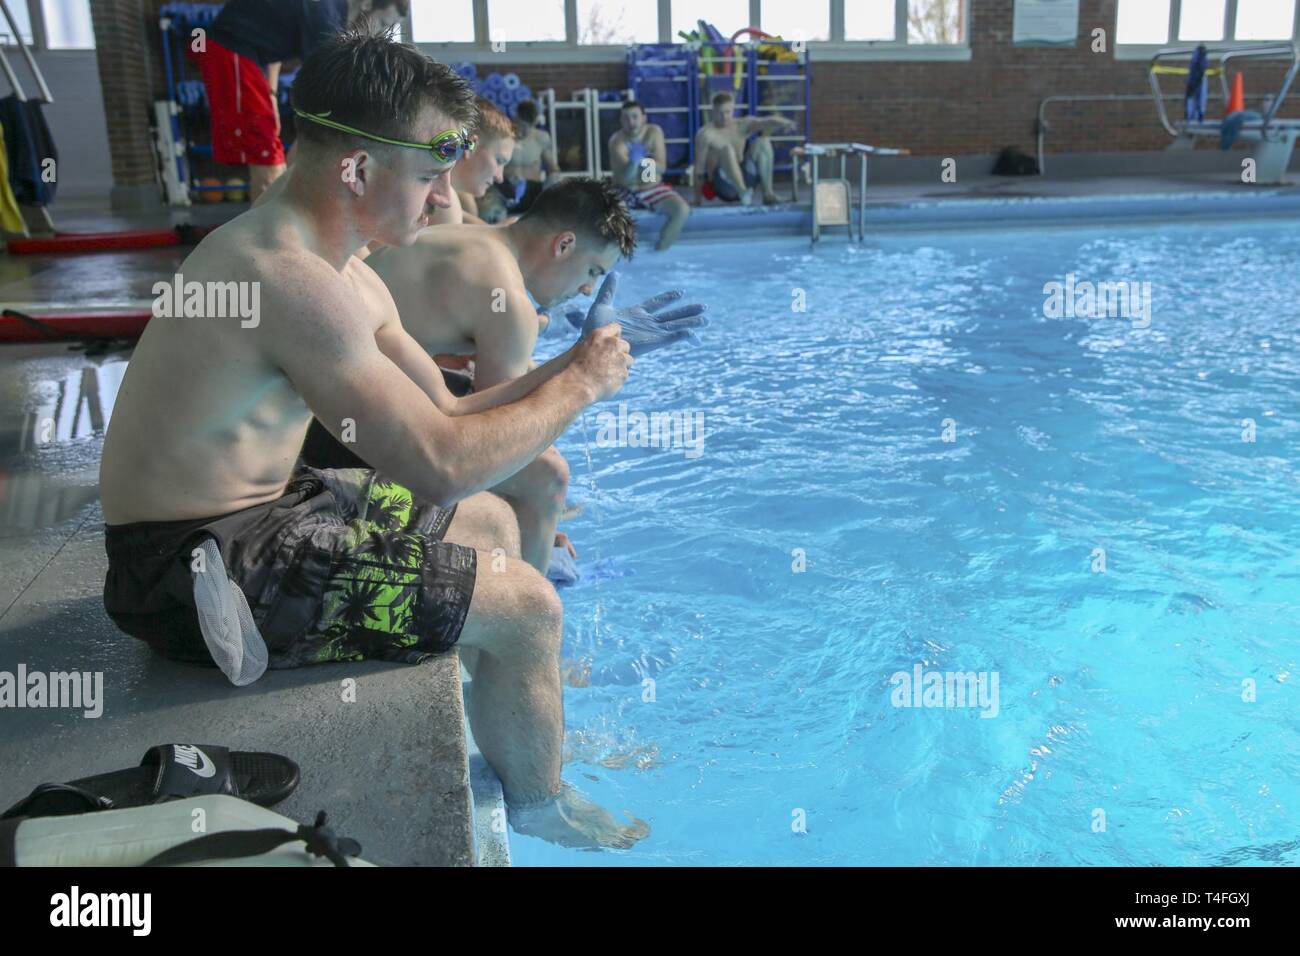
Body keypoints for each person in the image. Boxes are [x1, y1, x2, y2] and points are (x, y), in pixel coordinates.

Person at [99, 32, 691, 849]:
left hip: (260, 516)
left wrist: (577, 360)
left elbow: (449, 410)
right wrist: (582, 386)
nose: (444, 194)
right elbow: (440, 466)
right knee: (527, 607)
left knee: (490, 523)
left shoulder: (344, 268)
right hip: (191, 574)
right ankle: (538, 802)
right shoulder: (284, 278)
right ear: (359, 169)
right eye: (428, 173)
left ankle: (517, 718)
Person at [303, 179, 702, 583]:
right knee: (548, 476)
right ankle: (532, 592)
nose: (586, 290)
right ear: (563, 245)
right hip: (333, 440)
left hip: (319, 410)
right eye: (592, 271)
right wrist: (537, 516)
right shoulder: (509, 302)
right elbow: (502, 428)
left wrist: (583, 356)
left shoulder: (466, 237)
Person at [190, 0, 407, 201]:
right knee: (268, 163)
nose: (379, 33)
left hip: (248, 55)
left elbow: (272, 48)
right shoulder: (325, 18)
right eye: (382, 23)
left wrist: (271, 96)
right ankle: (272, 238)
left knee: (270, 152)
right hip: (231, 52)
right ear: (367, 4)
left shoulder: (331, 9)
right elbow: (320, 108)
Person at [608, 100, 691, 251]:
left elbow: (661, 168)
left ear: (644, 118)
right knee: (614, 216)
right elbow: (627, 179)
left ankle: (660, 251)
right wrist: (635, 162)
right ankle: (622, 252)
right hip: (625, 190)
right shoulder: (617, 142)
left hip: (652, 188)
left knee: (682, 210)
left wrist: (640, 162)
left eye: (634, 117)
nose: (631, 122)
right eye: (626, 118)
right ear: (621, 121)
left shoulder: (654, 132)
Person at [693, 91, 795, 206]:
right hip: (723, 186)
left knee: (762, 142)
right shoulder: (705, 134)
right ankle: (743, 192)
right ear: (713, 111)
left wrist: (786, 122)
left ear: (733, 109)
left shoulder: (741, 125)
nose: (724, 117)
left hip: (746, 180)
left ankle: (768, 195)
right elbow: (699, 169)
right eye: (719, 113)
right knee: (726, 149)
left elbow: (765, 121)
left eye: (728, 112)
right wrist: (697, 200)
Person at [428, 98, 516, 226]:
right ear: (471, 146)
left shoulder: (435, 190)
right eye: (499, 161)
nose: (500, 178)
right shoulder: (443, 202)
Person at [502, 99, 557, 214]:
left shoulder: (541, 138)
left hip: (532, 191)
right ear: (515, 118)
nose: (524, 130)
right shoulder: (504, 137)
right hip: (506, 190)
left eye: (528, 126)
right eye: (521, 125)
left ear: (534, 123)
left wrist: (550, 191)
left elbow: (553, 169)